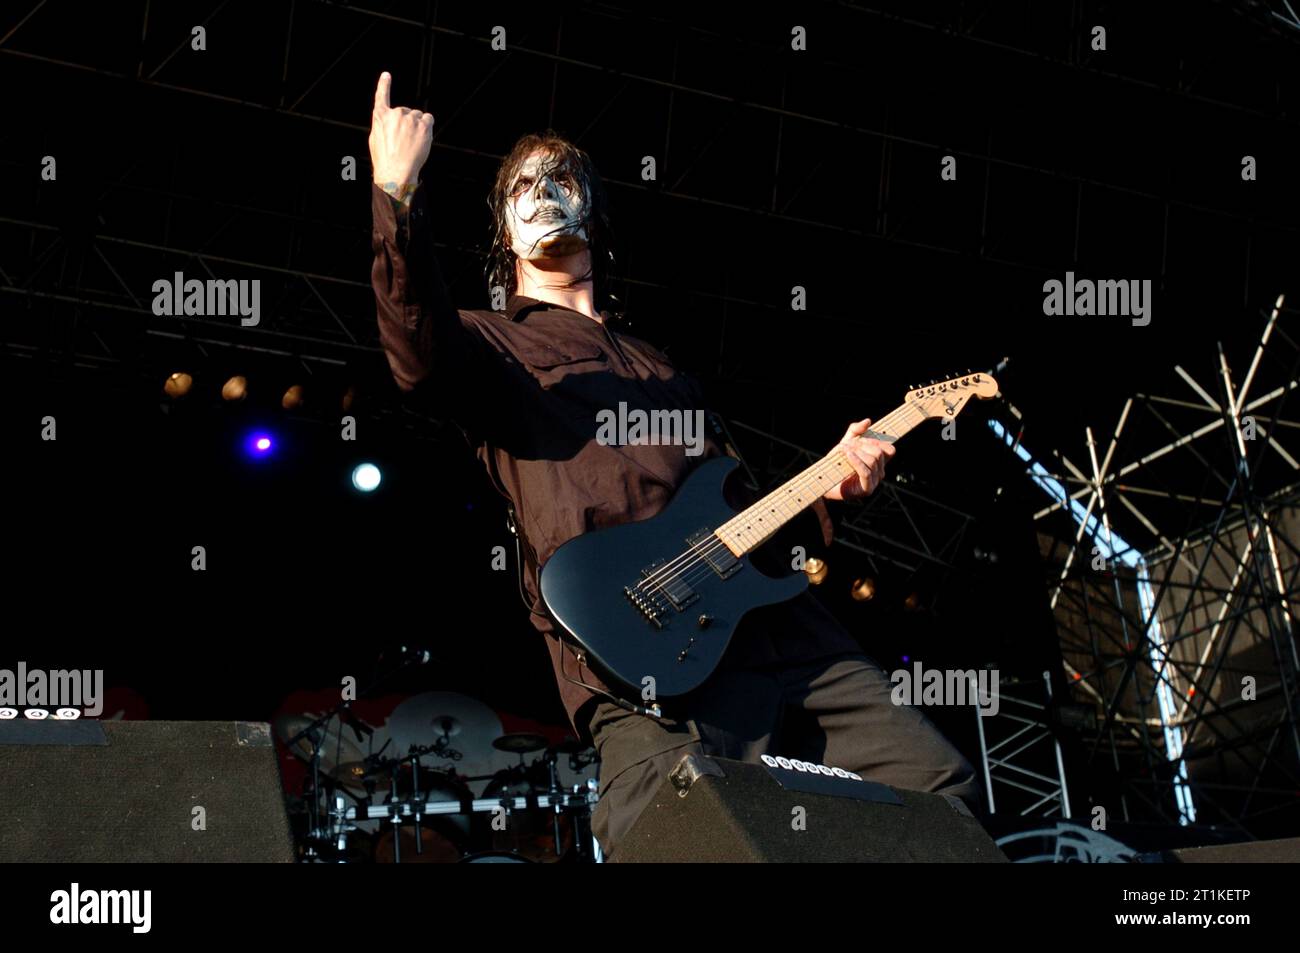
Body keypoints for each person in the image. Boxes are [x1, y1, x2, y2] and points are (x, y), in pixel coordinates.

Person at [368, 72, 978, 860]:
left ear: (595, 207)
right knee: (679, 839)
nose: (545, 194)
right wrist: (394, 193)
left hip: (776, 635)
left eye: (563, 180)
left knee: (938, 792)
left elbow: (744, 511)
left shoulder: (663, 368)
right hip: (645, 661)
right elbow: (415, 352)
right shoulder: (493, 344)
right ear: (503, 227)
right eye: (526, 185)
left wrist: (836, 483)